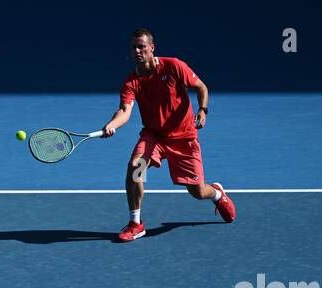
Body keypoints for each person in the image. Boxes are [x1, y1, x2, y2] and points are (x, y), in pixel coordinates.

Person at [100, 29, 236, 242]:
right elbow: (125, 111)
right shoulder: (131, 81)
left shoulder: (173, 66)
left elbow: (201, 87)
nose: (137, 51)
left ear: (152, 48)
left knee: (198, 191)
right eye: (134, 47)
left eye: (141, 46)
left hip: (183, 138)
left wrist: (202, 110)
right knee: (136, 167)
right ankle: (136, 223)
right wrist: (112, 125)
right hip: (154, 136)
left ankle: (217, 193)